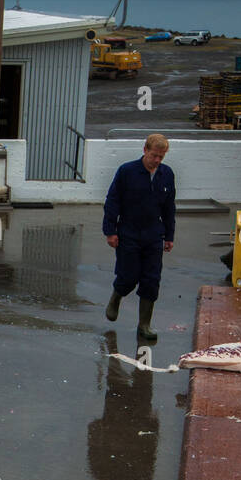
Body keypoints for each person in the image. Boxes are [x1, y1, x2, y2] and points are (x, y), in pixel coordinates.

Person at [103, 133, 175, 343]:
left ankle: (144, 324)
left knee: (152, 279)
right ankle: (117, 296)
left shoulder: (166, 174)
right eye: (154, 155)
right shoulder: (127, 172)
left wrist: (169, 235)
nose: (157, 161)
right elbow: (112, 201)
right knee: (129, 275)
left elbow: (169, 207)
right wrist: (110, 231)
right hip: (129, 232)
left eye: (161, 157)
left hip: (154, 234)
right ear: (145, 150)